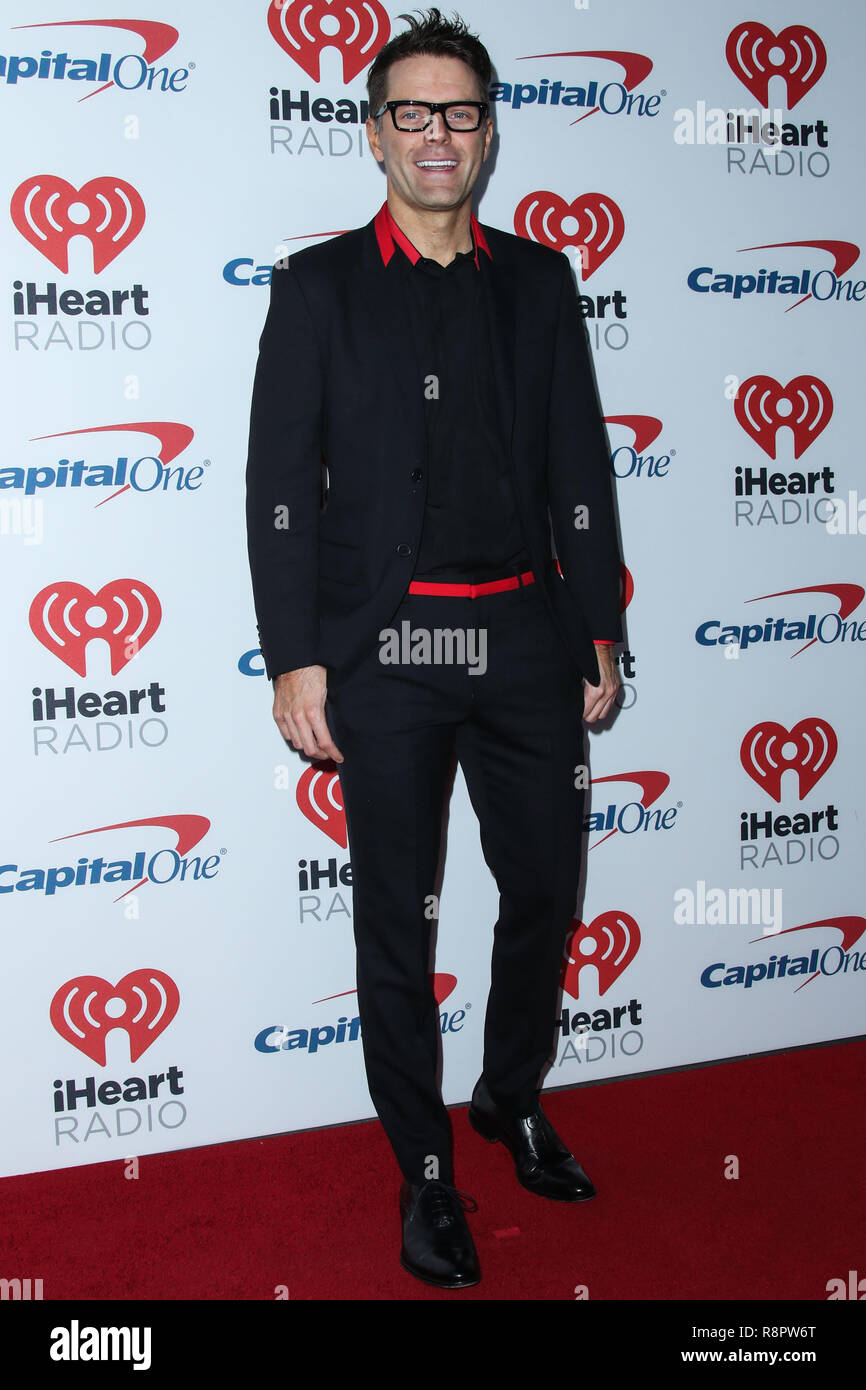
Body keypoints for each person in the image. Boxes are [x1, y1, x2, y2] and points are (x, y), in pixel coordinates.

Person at [246, 8, 623, 1290]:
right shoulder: (318, 286)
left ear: (489, 131)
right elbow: (279, 483)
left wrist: (597, 622)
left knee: (543, 894)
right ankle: (422, 1174)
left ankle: (507, 1096)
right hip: (385, 658)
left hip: (523, 636)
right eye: (409, 112)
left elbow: (580, 458)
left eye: (459, 112)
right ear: (373, 134)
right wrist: (294, 652)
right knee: (395, 931)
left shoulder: (539, 280)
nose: (436, 135)